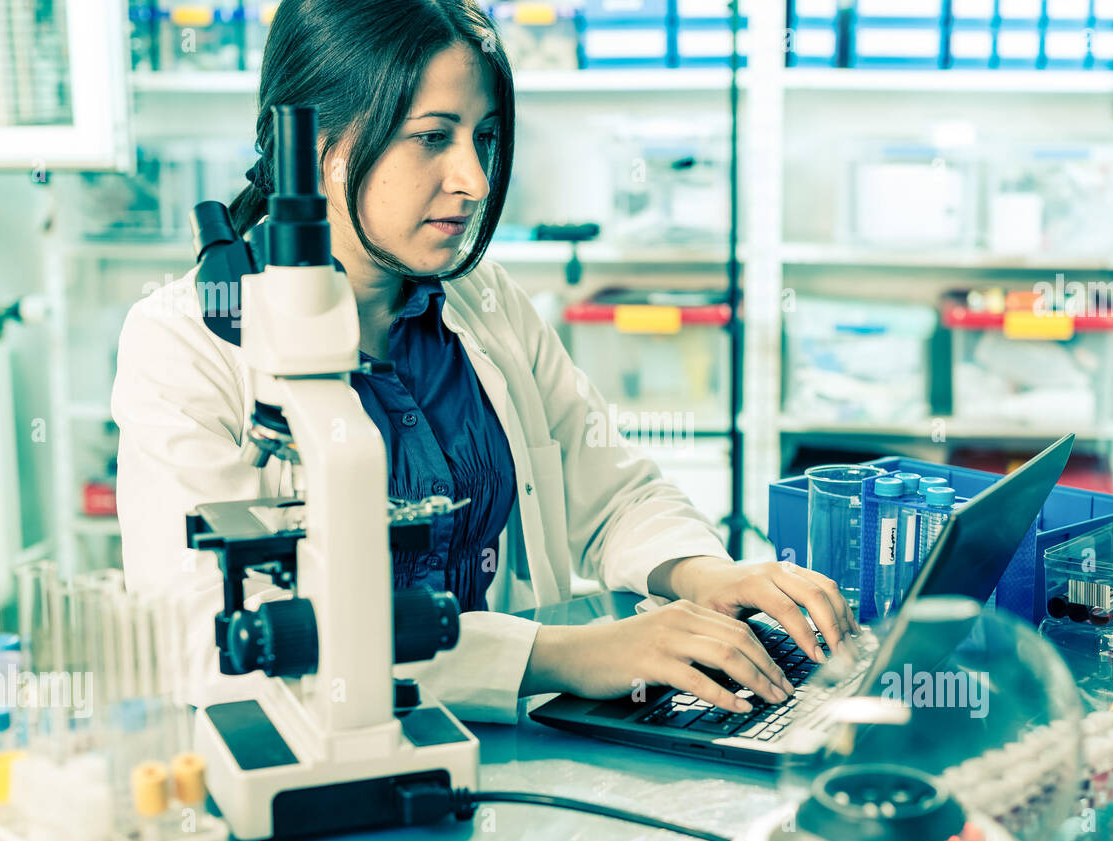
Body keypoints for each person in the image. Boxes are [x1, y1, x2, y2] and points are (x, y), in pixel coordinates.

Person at [111, 0, 857, 724]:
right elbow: (209, 637)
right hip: (330, 761)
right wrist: (558, 654)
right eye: (433, 138)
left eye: (487, 138)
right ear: (316, 148)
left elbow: (612, 492)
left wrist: (704, 574)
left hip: (510, 750)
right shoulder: (182, 342)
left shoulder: (480, 299)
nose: (473, 179)